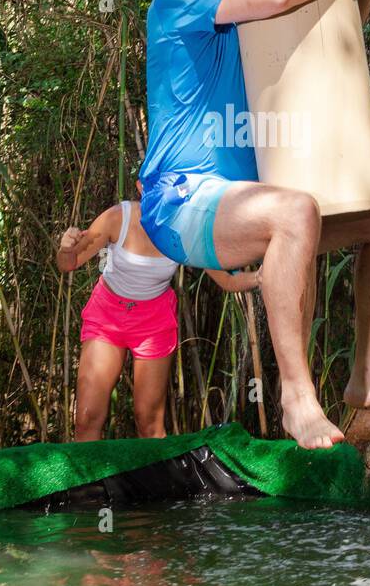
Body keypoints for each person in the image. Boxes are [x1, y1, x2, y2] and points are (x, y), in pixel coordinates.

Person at [138, 0, 370, 449]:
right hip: (179, 201)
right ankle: (296, 399)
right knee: (294, 209)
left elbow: (316, 39)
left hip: (242, 203)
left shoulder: (233, 9)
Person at [58, 187, 257, 441]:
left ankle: (156, 481)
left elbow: (227, 281)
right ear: (142, 185)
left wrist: (261, 276)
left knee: (148, 422)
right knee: (87, 417)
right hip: (107, 315)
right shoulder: (118, 217)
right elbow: (69, 264)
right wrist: (66, 248)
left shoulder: (186, 230)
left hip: (153, 323)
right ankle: (89, 482)